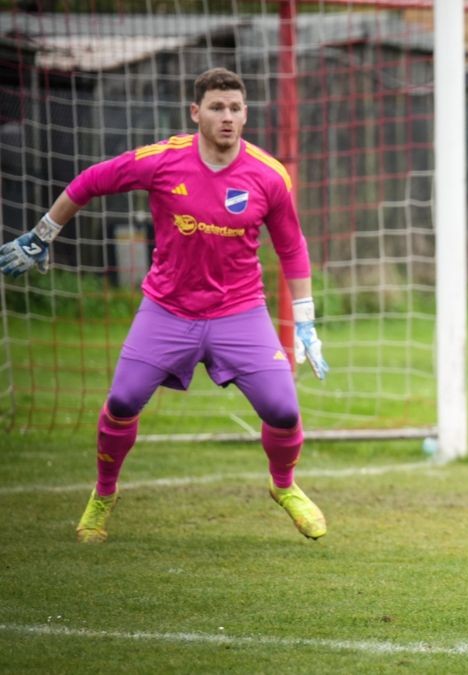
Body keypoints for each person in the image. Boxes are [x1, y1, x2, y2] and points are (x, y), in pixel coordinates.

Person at [0, 67, 332, 544]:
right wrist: (43, 233)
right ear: (195, 112)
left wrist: (305, 322)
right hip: (168, 310)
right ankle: (103, 495)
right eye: (217, 108)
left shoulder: (269, 175)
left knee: (283, 409)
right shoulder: (163, 161)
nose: (227, 117)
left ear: (246, 114)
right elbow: (90, 181)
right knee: (122, 400)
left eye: (236, 108)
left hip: (239, 313)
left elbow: (293, 247)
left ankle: (285, 487)